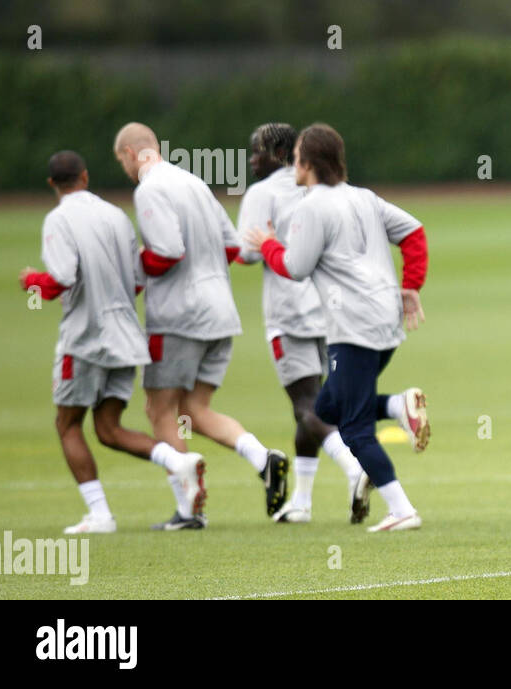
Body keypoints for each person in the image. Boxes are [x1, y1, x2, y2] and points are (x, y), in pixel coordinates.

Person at [244, 123, 432, 533]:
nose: (291, 166)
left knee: (353, 426)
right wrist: (410, 285)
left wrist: (268, 244)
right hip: (384, 318)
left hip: (353, 326)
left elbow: (294, 268)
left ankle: (401, 508)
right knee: (325, 408)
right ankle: (397, 406)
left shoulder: (313, 206)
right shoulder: (363, 196)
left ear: (308, 163)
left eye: (295, 159)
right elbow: (414, 232)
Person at [113, 122, 286, 529]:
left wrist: (133, 264)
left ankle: (190, 509)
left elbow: (168, 252)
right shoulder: (194, 182)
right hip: (220, 311)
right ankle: (264, 459)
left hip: (178, 317)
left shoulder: (150, 189)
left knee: (159, 410)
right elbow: (233, 247)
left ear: (128, 154)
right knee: (195, 408)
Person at [20, 151, 203, 533]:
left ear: (53, 184)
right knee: (108, 429)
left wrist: (31, 282)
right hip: (126, 338)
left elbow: (61, 278)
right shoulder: (116, 215)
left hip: (84, 338)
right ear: (85, 177)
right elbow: (138, 278)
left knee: (68, 424)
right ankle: (177, 460)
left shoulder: (58, 219)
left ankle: (100, 515)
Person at [236, 122, 370, 524]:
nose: (251, 160)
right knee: (312, 408)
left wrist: (260, 243)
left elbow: (247, 252)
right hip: (330, 308)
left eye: (256, 152)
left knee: (306, 405)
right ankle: (303, 501)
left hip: (289, 313)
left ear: (275, 154)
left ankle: (354, 468)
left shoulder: (261, 194)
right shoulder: (322, 188)